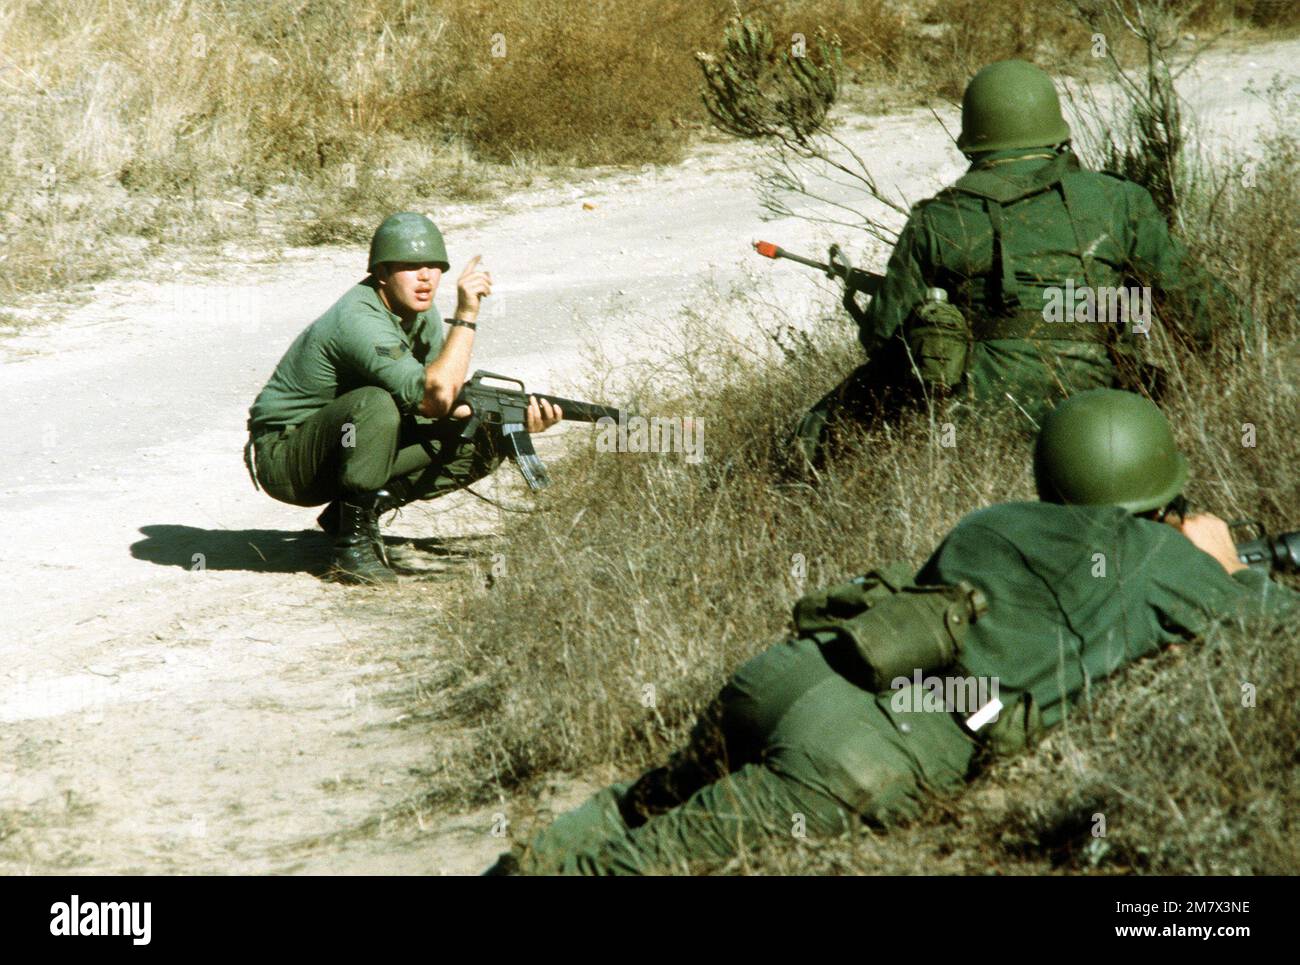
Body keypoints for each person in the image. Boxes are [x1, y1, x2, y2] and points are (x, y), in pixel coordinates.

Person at [489, 389, 1297, 875]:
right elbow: (1274, 629)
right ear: (1162, 483)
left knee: (638, 807)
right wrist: (1228, 565)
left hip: (792, 676)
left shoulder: (995, 521)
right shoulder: (1165, 561)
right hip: (857, 757)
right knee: (643, 869)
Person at [792, 59, 1250, 469]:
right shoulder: (1121, 201)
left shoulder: (938, 218)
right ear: (1057, 132)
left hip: (976, 429)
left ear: (972, 140)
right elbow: (1209, 315)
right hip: (1105, 419)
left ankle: (802, 474)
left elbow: (881, 338)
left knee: (825, 419)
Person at [244, 212, 561, 584]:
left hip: (348, 446)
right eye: (410, 267)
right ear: (382, 274)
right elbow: (434, 399)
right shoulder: (359, 319)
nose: (425, 276)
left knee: (484, 435)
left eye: (433, 266)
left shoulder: (419, 315)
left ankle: (355, 515)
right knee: (374, 402)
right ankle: (352, 549)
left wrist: (513, 417)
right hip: (288, 459)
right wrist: (467, 315)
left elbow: (446, 398)